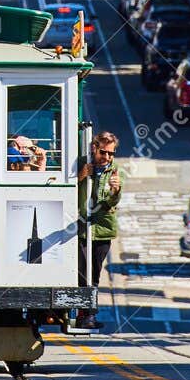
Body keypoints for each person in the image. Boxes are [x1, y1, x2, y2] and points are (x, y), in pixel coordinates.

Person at [77, 131, 123, 328]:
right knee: (81, 273)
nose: (107, 158)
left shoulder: (114, 170)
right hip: (80, 228)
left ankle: (89, 315)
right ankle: (80, 313)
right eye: (103, 152)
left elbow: (111, 202)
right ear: (94, 148)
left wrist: (116, 191)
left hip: (102, 229)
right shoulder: (82, 164)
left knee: (94, 273)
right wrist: (80, 177)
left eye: (111, 154)